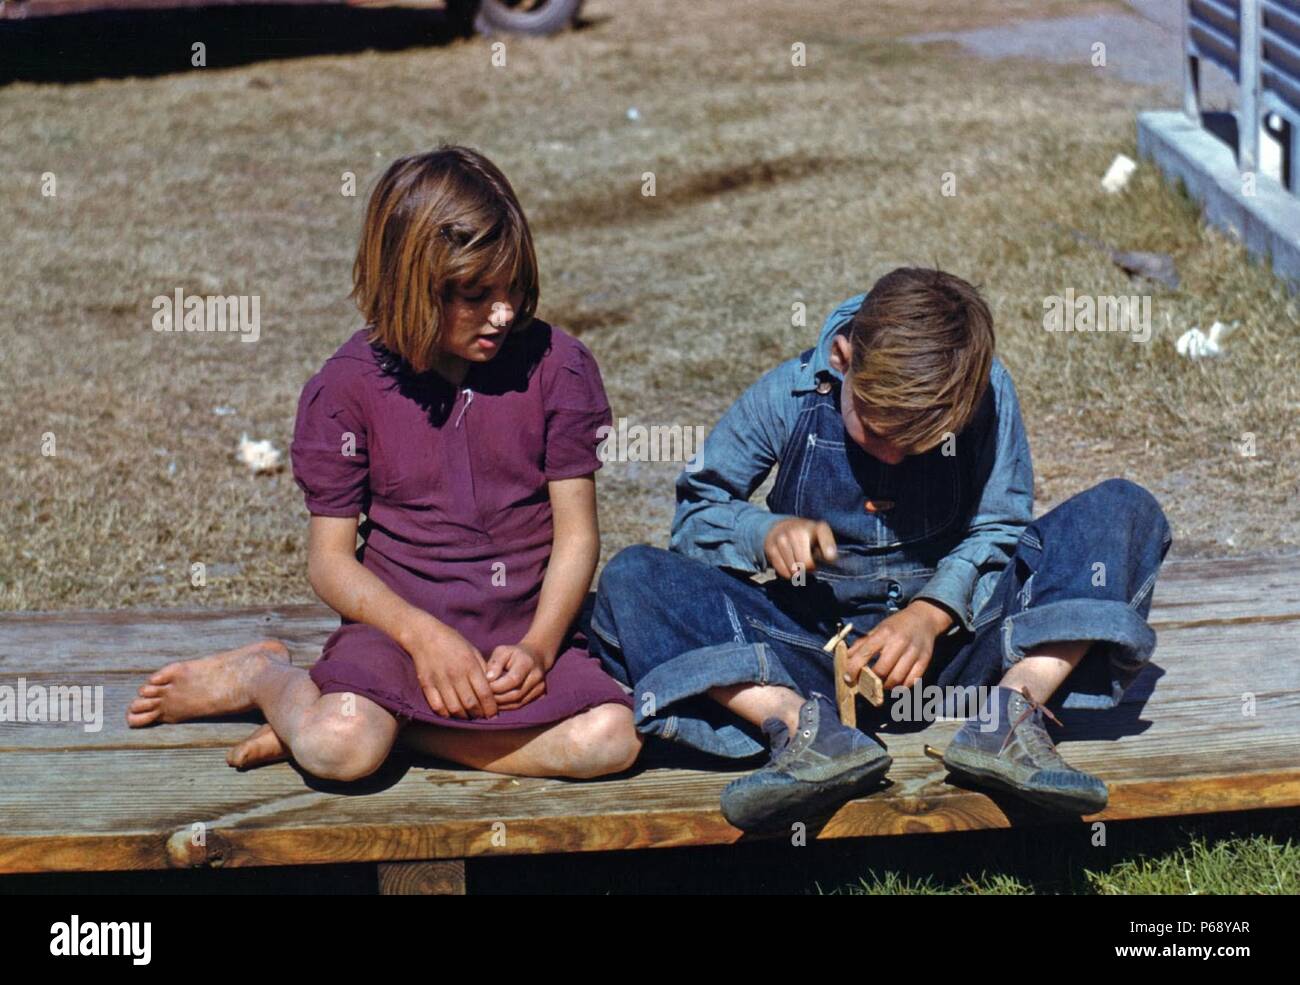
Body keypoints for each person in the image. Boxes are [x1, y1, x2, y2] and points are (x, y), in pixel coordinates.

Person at [589, 267, 1171, 831]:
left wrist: (929, 614)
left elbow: (999, 528)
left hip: (964, 649)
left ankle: (1009, 718)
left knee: (1121, 509)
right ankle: (807, 735)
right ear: (843, 359)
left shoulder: (987, 391)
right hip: (812, 657)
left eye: (919, 444)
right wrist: (760, 534)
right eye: (874, 428)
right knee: (633, 576)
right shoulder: (786, 397)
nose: (891, 458)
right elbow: (694, 517)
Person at [128, 147, 641, 781]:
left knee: (610, 740)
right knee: (339, 747)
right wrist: (423, 638)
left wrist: (538, 646)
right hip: (397, 634)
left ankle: (401, 732)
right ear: (410, 285)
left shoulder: (558, 368)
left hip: (522, 630)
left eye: (512, 289)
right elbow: (330, 561)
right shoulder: (345, 389)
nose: (503, 313)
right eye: (476, 294)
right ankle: (265, 677)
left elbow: (577, 534)